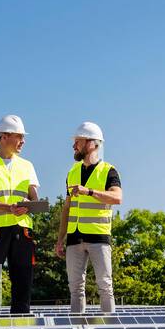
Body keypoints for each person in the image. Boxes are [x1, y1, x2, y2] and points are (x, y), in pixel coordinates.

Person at [0, 114, 39, 314]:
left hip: (23, 230)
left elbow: (35, 199)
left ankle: (21, 326)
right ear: (4, 136)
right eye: (19, 136)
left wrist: (30, 204)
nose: (23, 141)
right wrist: (8, 208)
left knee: (23, 278)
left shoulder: (27, 166)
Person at [55, 121, 121, 314]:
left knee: (105, 286)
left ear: (92, 143)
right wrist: (60, 239)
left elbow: (117, 197)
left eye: (78, 141)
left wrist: (89, 191)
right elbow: (66, 208)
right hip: (74, 239)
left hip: (99, 238)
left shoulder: (109, 171)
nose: (74, 146)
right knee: (75, 289)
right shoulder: (72, 172)